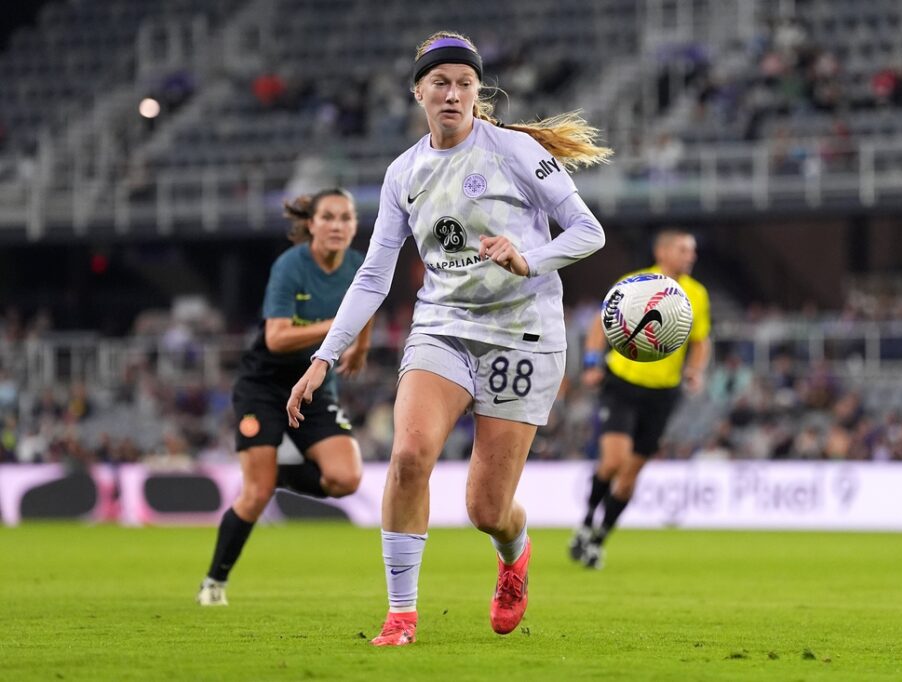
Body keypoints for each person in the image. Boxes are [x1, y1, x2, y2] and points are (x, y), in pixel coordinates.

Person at [287, 31, 612, 646]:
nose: (454, 93)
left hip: (523, 333)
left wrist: (529, 259)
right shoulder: (403, 173)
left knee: (487, 510)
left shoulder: (515, 151)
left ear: (477, 92)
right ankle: (401, 614)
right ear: (419, 93)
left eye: (465, 83)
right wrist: (323, 357)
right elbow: (374, 275)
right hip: (444, 327)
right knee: (409, 456)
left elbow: (587, 230)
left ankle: (514, 555)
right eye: (441, 82)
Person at [196, 188, 373, 606]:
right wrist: (338, 326)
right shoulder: (290, 266)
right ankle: (214, 582)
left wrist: (361, 347)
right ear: (311, 224)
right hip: (263, 385)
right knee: (255, 495)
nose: (337, 226)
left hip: (312, 384)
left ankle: (278, 474)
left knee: (345, 479)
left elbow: (368, 302)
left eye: (346, 218)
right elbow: (275, 338)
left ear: (354, 226)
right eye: (328, 217)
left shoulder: (358, 266)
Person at [570, 229, 711, 569]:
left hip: (662, 394)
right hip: (622, 384)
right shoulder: (636, 284)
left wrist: (695, 370)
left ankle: (598, 540)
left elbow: (700, 340)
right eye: (683, 249)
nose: (690, 256)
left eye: (692, 250)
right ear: (662, 252)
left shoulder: (697, 293)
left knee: (631, 474)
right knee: (613, 462)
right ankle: (586, 522)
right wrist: (592, 362)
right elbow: (600, 324)